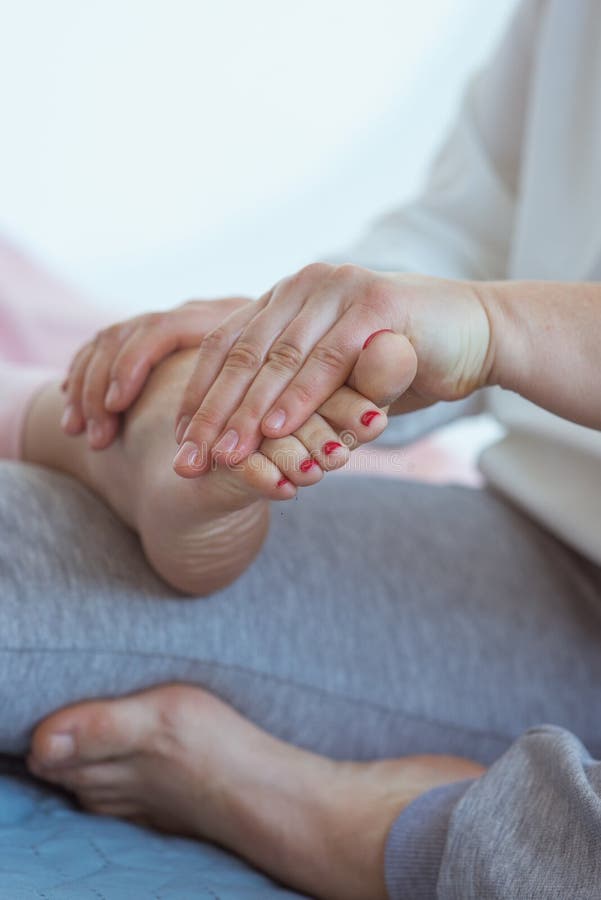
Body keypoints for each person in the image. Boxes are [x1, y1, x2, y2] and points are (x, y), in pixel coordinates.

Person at [7, 0, 601, 896]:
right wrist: (311, 346)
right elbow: (474, 228)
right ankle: (150, 434)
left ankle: (357, 824)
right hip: (557, 559)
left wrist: (498, 326)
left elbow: (491, 305)